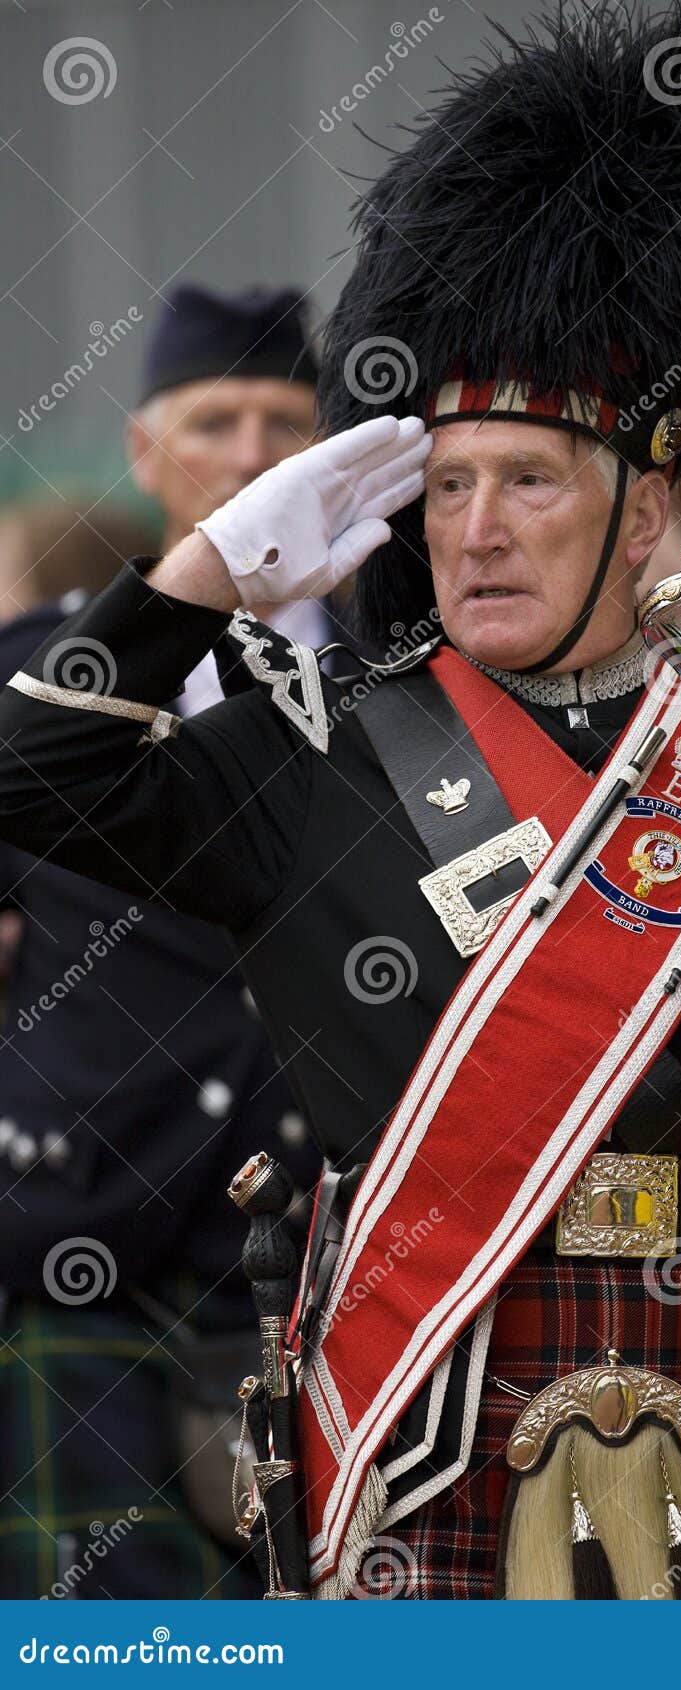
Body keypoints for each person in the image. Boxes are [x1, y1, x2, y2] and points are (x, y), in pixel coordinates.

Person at [0, 6, 681, 1602]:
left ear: (644, 508)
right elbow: (33, 772)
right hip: (425, 1406)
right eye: (446, 484)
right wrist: (203, 574)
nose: (475, 528)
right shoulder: (314, 752)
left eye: (530, 481)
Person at [0, 284, 323, 1599]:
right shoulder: (31, 675)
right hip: (81, 1237)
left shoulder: (404, 685)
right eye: (213, 422)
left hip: (330, 1246)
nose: (250, 454)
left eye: (285, 423)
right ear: (144, 452)